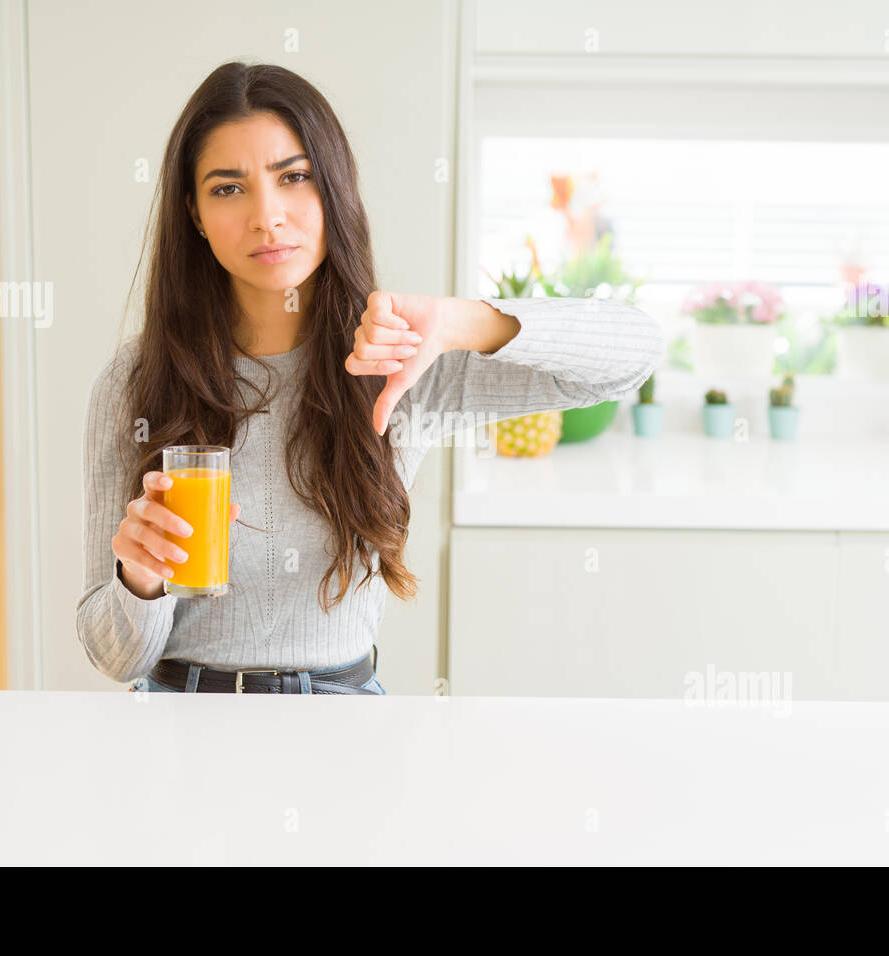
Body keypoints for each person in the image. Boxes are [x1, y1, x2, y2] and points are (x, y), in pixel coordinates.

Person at [76, 61, 664, 695]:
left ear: (335, 188)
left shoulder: (403, 361)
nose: (267, 217)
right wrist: (138, 578)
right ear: (192, 212)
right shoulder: (136, 382)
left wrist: (460, 320)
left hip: (346, 720)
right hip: (178, 718)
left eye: (294, 177)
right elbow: (115, 659)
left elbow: (633, 353)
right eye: (228, 188)